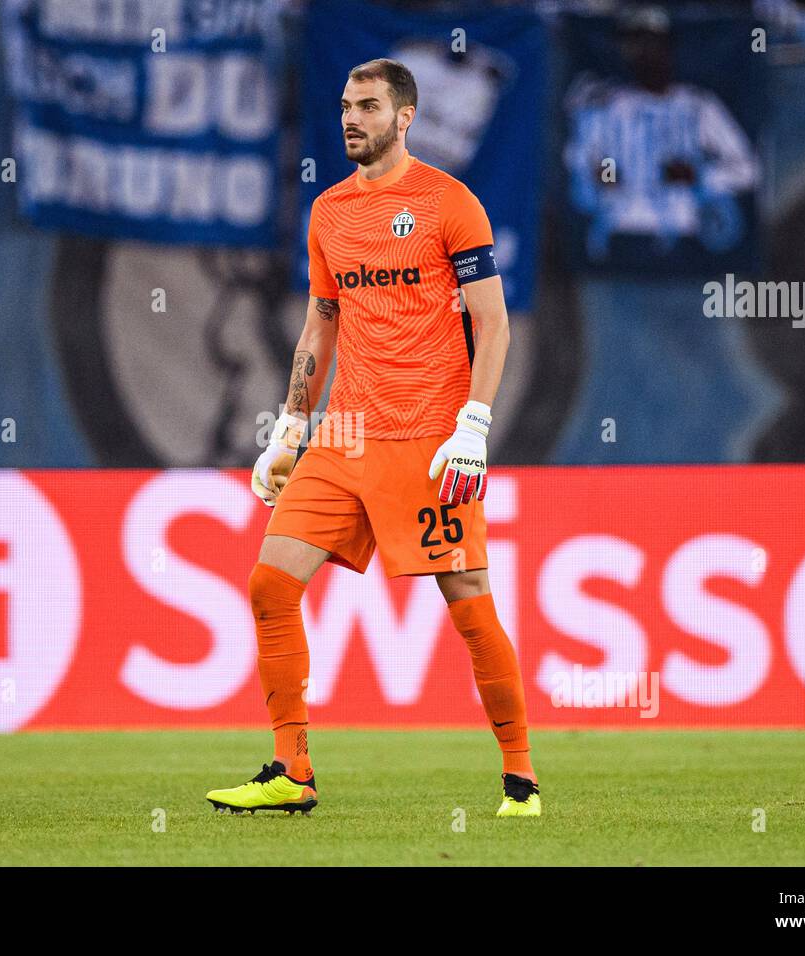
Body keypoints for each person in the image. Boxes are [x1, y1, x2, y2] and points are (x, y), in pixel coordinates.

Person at [205, 58, 539, 818]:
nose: (351, 118)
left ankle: (520, 778)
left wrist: (474, 425)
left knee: (469, 605)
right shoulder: (328, 212)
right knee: (268, 584)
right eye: (345, 105)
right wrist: (291, 425)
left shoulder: (450, 204)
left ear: (406, 116)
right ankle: (292, 772)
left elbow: (492, 323)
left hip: (426, 441)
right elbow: (323, 321)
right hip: (343, 436)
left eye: (367, 106)